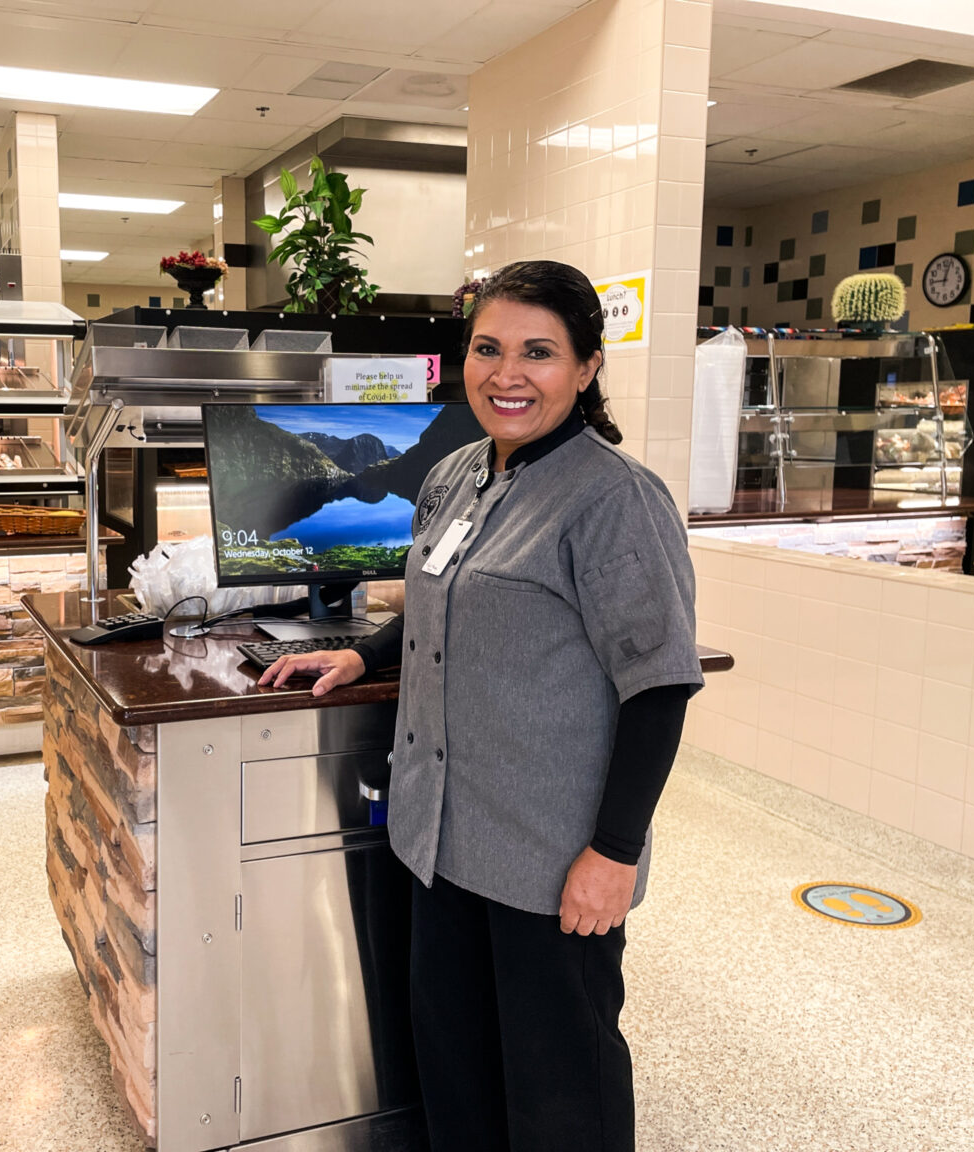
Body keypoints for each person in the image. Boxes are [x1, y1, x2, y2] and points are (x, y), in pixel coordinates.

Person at [257, 260, 704, 1151]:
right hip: (437, 837)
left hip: (548, 857)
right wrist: (362, 651)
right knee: (453, 1068)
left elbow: (660, 686)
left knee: (558, 1089)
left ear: (585, 367)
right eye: (488, 348)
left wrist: (612, 854)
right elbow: (435, 600)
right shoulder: (458, 474)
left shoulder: (615, 500)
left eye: (538, 352)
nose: (508, 373)